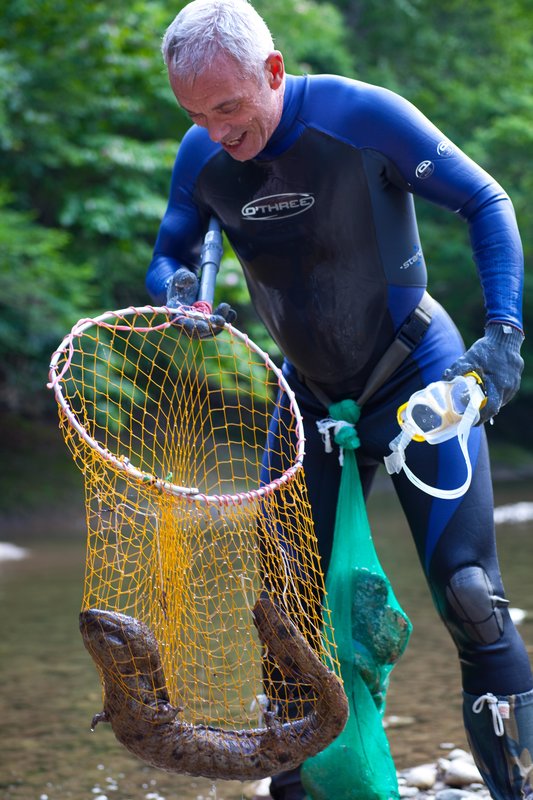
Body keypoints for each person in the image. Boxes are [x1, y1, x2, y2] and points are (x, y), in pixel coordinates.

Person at [145, 1, 533, 798]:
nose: (216, 131)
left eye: (228, 107)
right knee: (284, 618)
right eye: (195, 114)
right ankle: (300, 791)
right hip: (310, 400)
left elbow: (486, 202)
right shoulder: (202, 156)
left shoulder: (361, 117)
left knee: (469, 596)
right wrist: (180, 293)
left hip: (416, 375)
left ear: (274, 71)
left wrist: (501, 336)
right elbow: (171, 253)